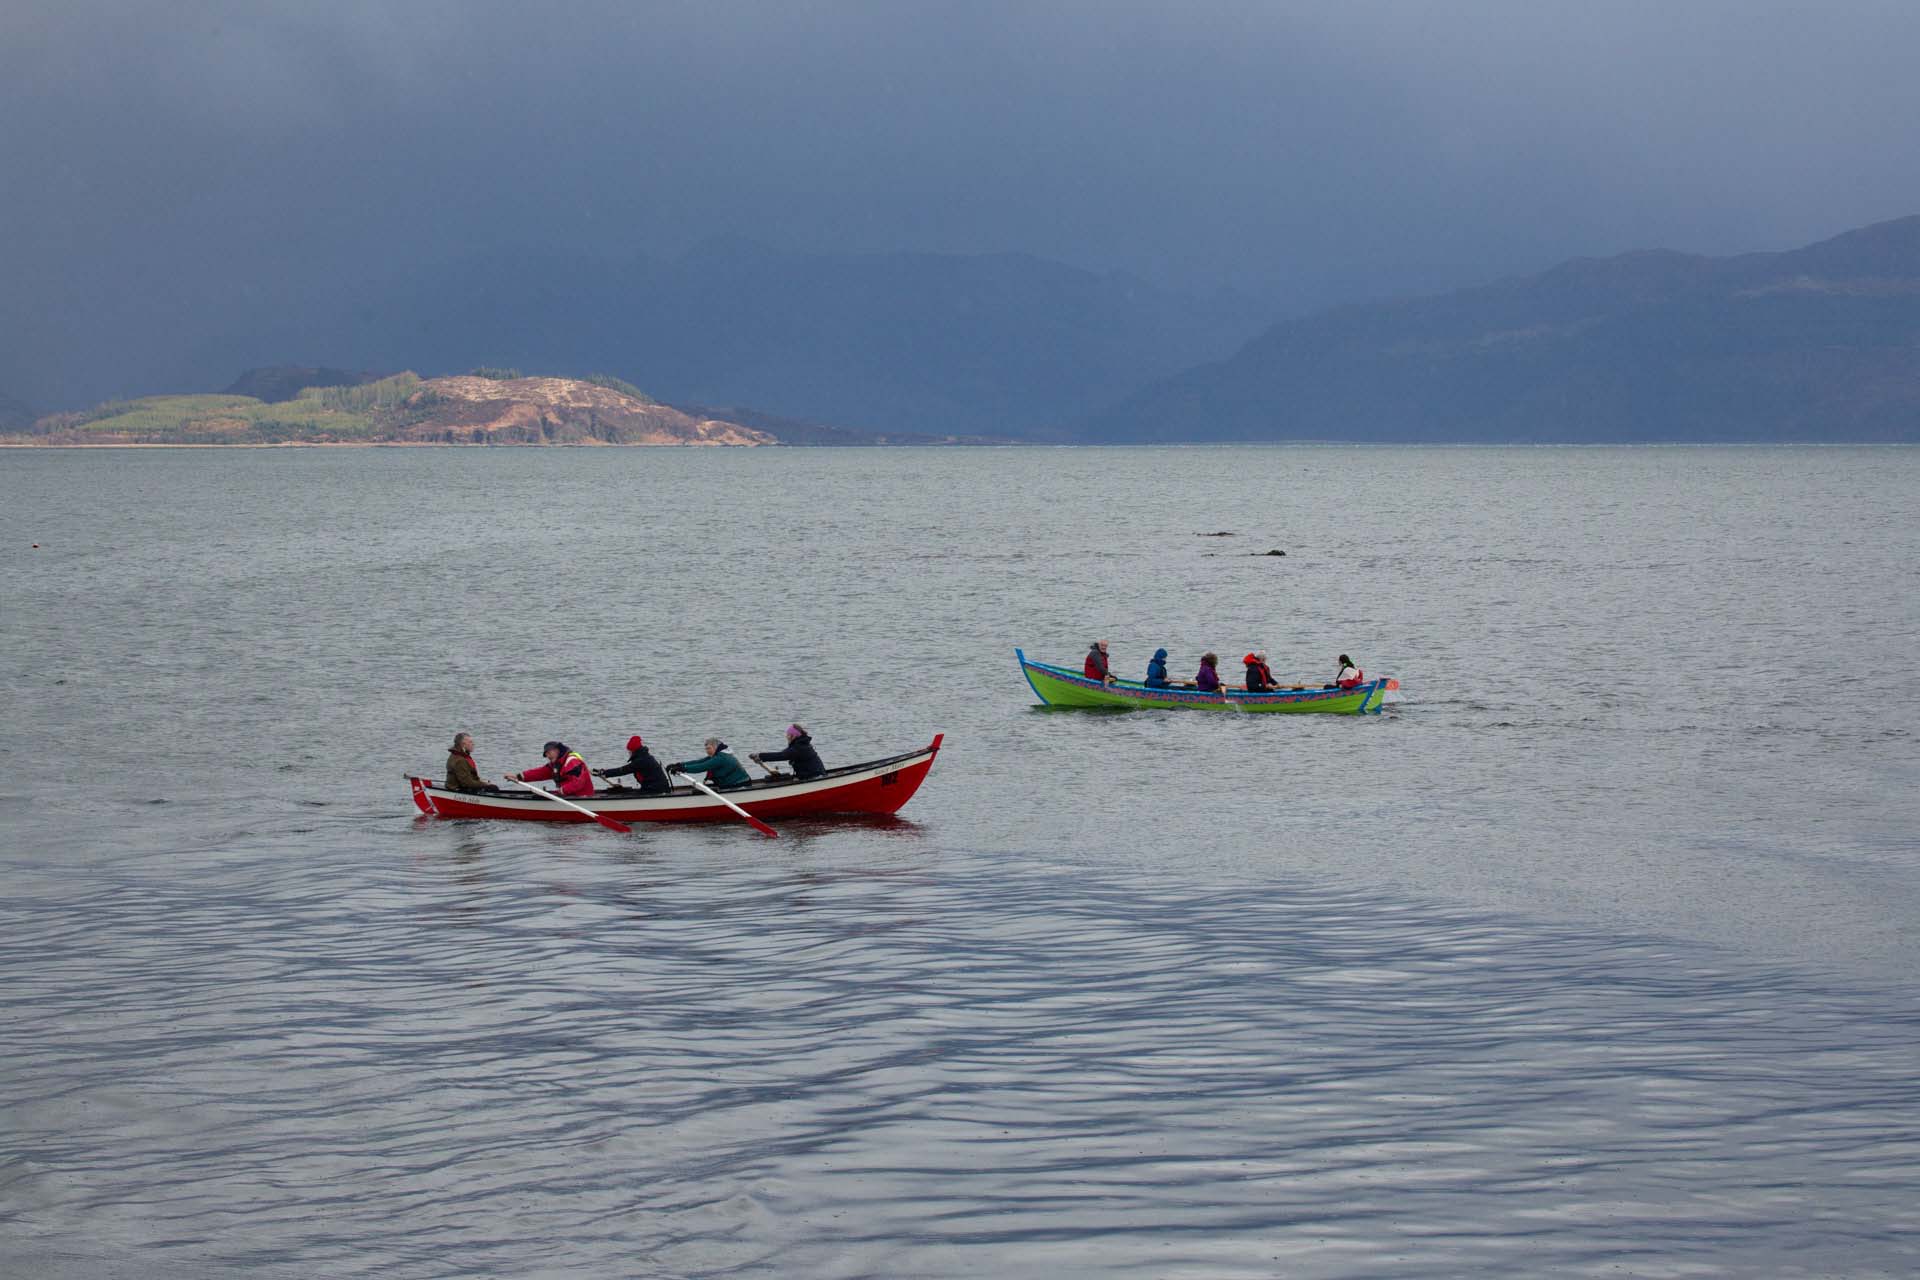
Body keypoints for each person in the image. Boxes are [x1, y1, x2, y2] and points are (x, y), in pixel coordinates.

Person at [509, 740, 595, 797]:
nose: (547, 756)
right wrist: (518, 777)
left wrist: (562, 791)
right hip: (568, 796)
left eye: (549, 753)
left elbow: (578, 783)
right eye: (546, 754)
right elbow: (540, 773)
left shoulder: (572, 761)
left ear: (557, 750)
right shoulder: (556, 764)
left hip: (582, 796)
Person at [595, 734, 670, 795]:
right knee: (622, 791)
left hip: (657, 790)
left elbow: (622, 770)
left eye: (629, 751)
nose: (629, 753)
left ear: (634, 751)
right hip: (655, 788)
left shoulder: (641, 761)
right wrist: (603, 772)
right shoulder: (644, 757)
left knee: (623, 794)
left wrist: (604, 772)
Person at [669, 738, 752, 789]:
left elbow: (701, 767)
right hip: (734, 782)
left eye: (709, 748)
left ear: (716, 747)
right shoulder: (718, 755)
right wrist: (679, 765)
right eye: (706, 749)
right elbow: (699, 762)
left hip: (740, 784)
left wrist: (683, 769)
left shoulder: (720, 758)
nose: (707, 751)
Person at [752, 724, 826, 780]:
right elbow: (784, 753)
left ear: (793, 736)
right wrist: (761, 757)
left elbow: (781, 755)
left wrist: (760, 756)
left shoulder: (799, 747)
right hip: (811, 775)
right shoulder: (801, 744)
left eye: (788, 735)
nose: (786, 737)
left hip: (815, 777)